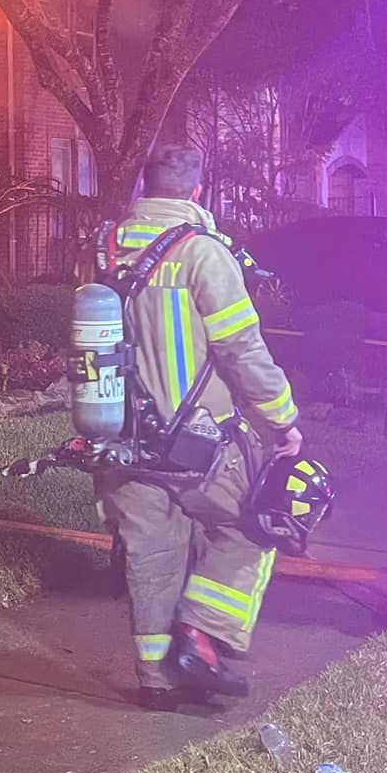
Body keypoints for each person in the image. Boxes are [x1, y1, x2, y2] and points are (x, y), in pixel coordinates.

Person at [100, 145, 304, 708]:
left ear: (146, 189)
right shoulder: (201, 254)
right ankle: (202, 637)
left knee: (152, 555)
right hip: (197, 443)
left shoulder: (105, 250)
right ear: (196, 193)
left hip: (116, 440)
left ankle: (158, 684)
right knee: (257, 525)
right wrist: (281, 421)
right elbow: (240, 348)